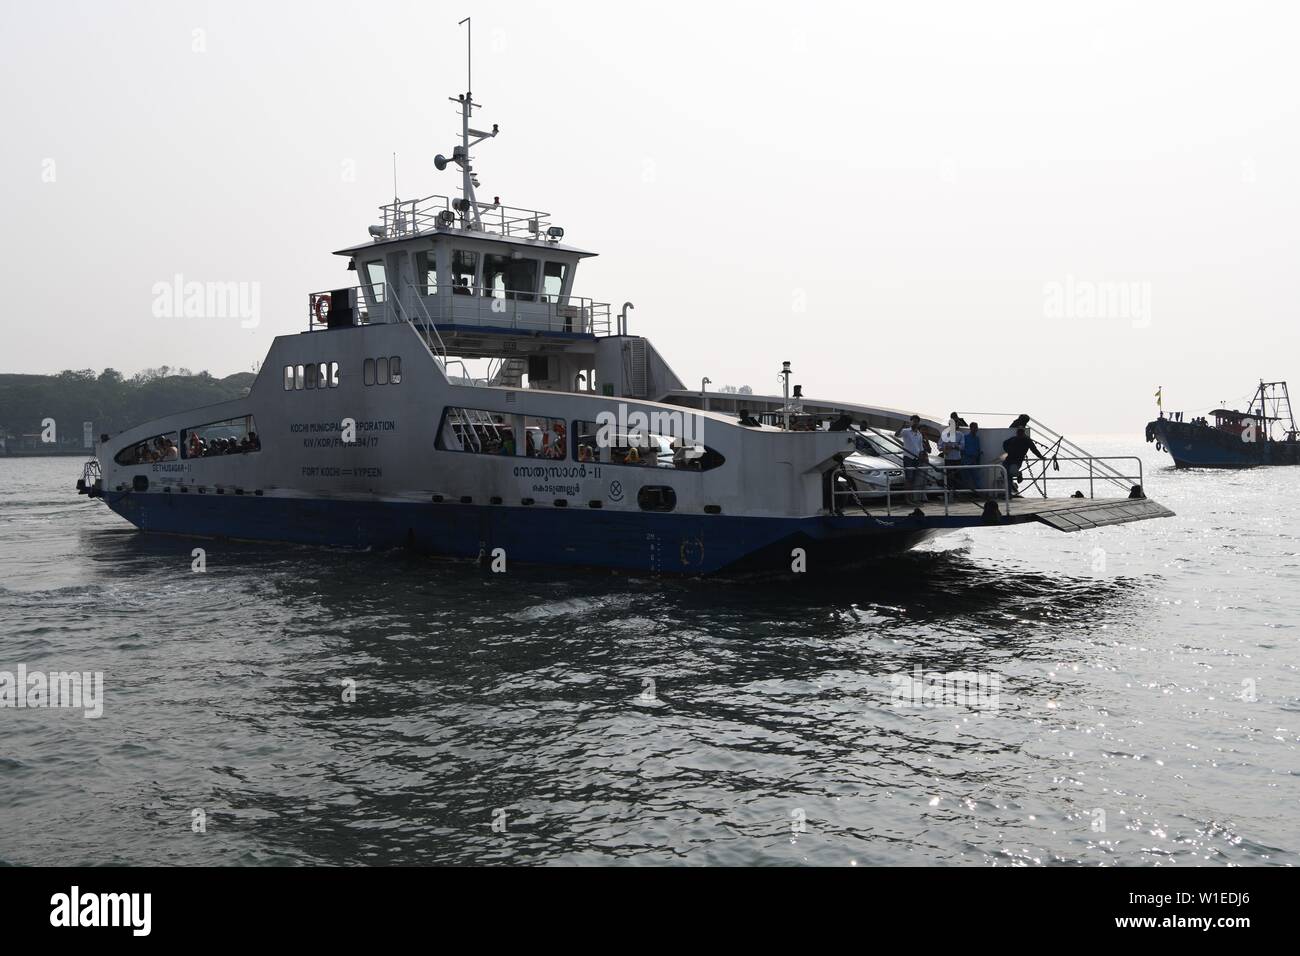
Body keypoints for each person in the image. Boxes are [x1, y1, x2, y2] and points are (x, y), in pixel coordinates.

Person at [1001, 426, 1044, 498]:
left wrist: (1041, 457)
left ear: (1023, 433)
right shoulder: (1013, 439)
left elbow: (1034, 450)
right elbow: (1004, 443)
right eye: (1018, 432)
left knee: (1012, 472)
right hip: (1008, 460)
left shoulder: (1027, 441)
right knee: (1005, 474)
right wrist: (1008, 450)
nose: (1019, 434)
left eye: (1021, 432)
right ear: (1017, 433)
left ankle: (1019, 474)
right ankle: (1008, 494)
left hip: (1017, 461)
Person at [895, 415, 930, 503]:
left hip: (916, 458)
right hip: (908, 458)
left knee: (914, 479)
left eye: (916, 421)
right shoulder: (906, 431)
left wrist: (922, 456)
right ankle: (907, 499)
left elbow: (920, 447)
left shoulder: (919, 434)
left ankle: (912, 498)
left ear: (918, 423)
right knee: (909, 478)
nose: (915, 423)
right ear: (911, 422)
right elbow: (896, 435)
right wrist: (902, 427)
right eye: (913, 421)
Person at [962, 422, 982, 493]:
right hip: (966, 461)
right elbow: (962, 449)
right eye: (975, 427)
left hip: (974, 461)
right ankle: (967, 493)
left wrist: (978, 460)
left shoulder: (977, 439)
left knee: (976, 477)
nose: (976, 429)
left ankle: (978, 493)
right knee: (966, 478)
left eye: (976, 427)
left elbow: (978, 449)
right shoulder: (965, 437)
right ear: (970, 428)